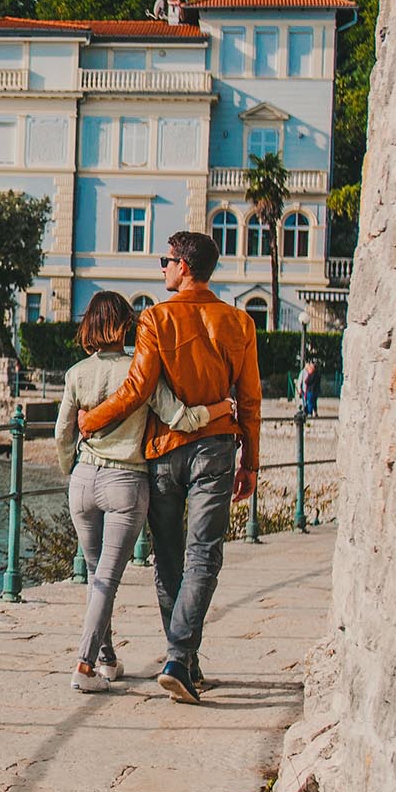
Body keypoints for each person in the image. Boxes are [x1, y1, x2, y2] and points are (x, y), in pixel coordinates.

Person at [77, 232, 260, 704]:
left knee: (170, 559)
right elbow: (250, 400)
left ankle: (181, 658)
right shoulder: (239, 322)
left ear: (183, 267)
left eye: (166, 261)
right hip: (217, 449)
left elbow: (138, 389)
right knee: (204, 554)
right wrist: (252, 463)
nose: (162, 269)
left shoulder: (157, 317)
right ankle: (182, 660)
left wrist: (89, 421)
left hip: (163, 450)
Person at [56, 291, 232, 693]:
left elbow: (62, 434)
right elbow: (181, 419)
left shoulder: (76, 373)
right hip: (125, 481)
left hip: (83, 480)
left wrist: (73, 470)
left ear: (88, 328)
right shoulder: (141, 369)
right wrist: (221, 409)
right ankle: (84, 666)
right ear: (125, 325)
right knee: (107, 578)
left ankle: (107, 660)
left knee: (95, 575)